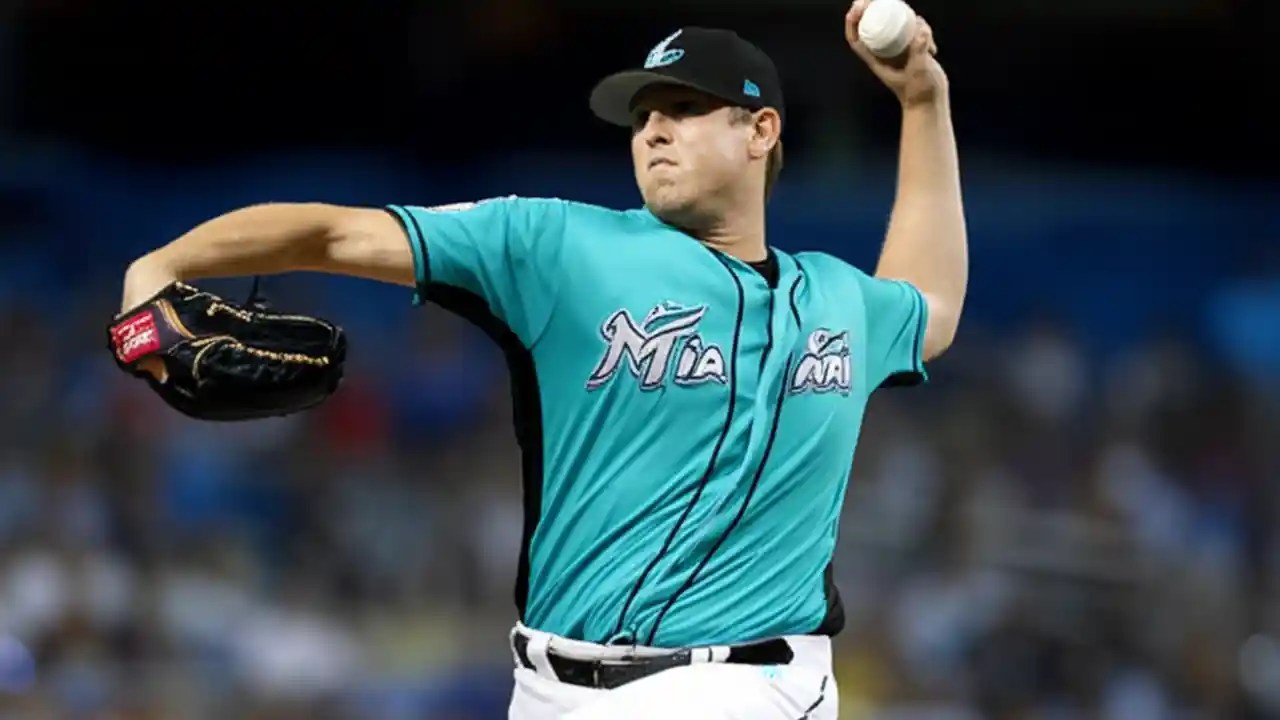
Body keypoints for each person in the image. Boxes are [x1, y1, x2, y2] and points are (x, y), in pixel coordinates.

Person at [117, 2, 967, 717]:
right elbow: (338, 229)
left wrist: (925, 103)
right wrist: (158, 268)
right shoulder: (557, 244)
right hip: (544, 689)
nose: (654, 132)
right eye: (642, 117)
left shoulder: (838, 300)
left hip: (743, 688)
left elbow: (931, 310)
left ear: (761, 130)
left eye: (682, 107)